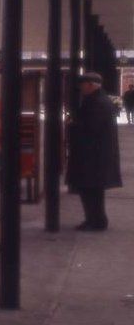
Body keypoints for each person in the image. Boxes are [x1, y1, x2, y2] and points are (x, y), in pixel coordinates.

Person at [67, 72, 122, 231]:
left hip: (92, 156)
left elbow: (90, 128)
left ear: (91, 85)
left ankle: (95, 221)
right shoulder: (99, 100)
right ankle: (96, 220)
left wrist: (73, 125)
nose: (81, 88)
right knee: (93, 191)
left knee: (90, 190)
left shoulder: (96, 103)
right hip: (96, 155)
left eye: (83, 84)